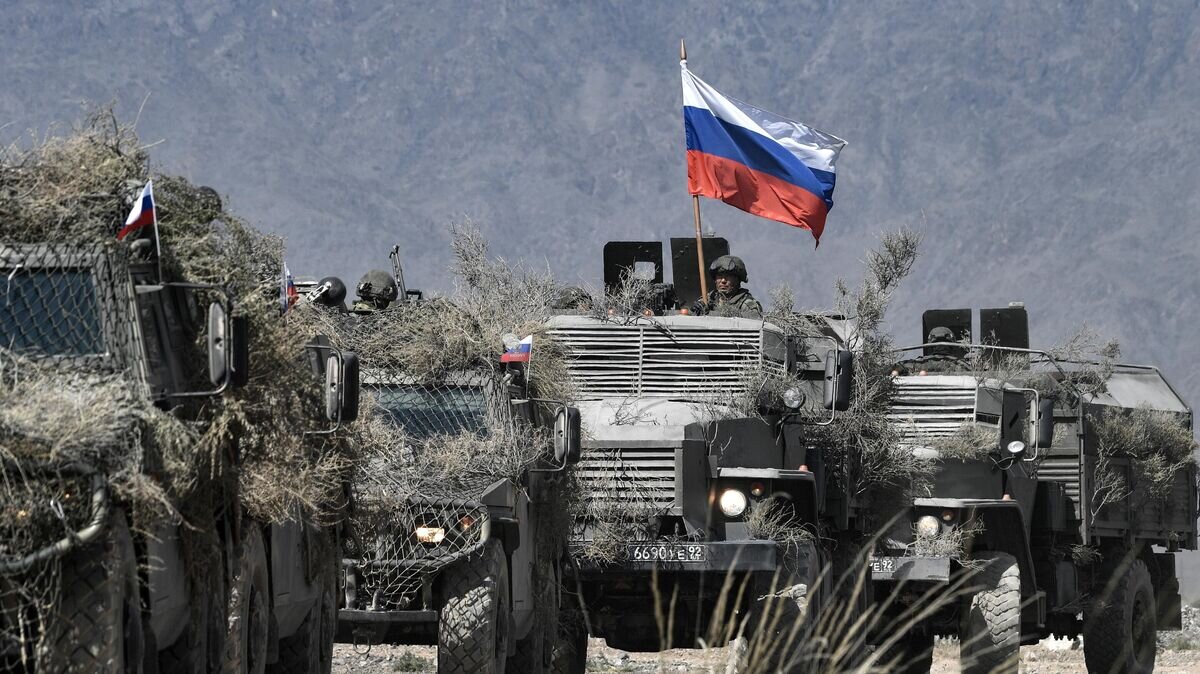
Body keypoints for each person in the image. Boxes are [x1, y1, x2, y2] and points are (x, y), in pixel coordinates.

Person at [690, 255, 762, 316]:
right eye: (719, 276)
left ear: (738, 280)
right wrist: (697, 310)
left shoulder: (747, 305)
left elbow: (753, 324)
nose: (723, 281)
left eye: (728, 276)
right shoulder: (709, 298)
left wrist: (709, 314)